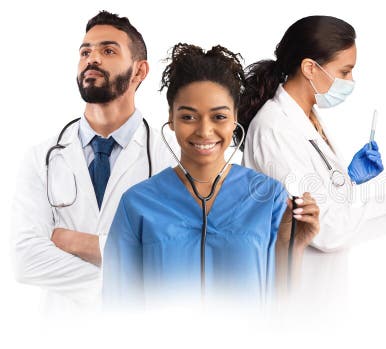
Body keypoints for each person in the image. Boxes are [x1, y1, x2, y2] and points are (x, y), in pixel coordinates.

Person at [239, 15, 386, 311]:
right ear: (310, 68)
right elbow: (322, 229)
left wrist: (347, 180)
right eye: (345, 72)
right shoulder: (274, 129)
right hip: (295, 300)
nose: (351, 82)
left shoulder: (305, 117)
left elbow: (321, 201)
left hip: (322, 294)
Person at [102, 43, 320, 309]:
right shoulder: (136, 204)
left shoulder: (270, 198)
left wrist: (292, 246)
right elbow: (117, 308)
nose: (205, 131)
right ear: (171, 118)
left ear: (235, 118)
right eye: (189, 116)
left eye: (218, 116)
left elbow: (284, 311)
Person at [11, 10, 175, 313]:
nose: (92, 59)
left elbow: (170, 258)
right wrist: (118, 281)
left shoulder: (170, 159)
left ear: (139, 71)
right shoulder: (42, 158)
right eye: (85, 51)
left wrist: (65, 239)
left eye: (108, 50)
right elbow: (25, 258)